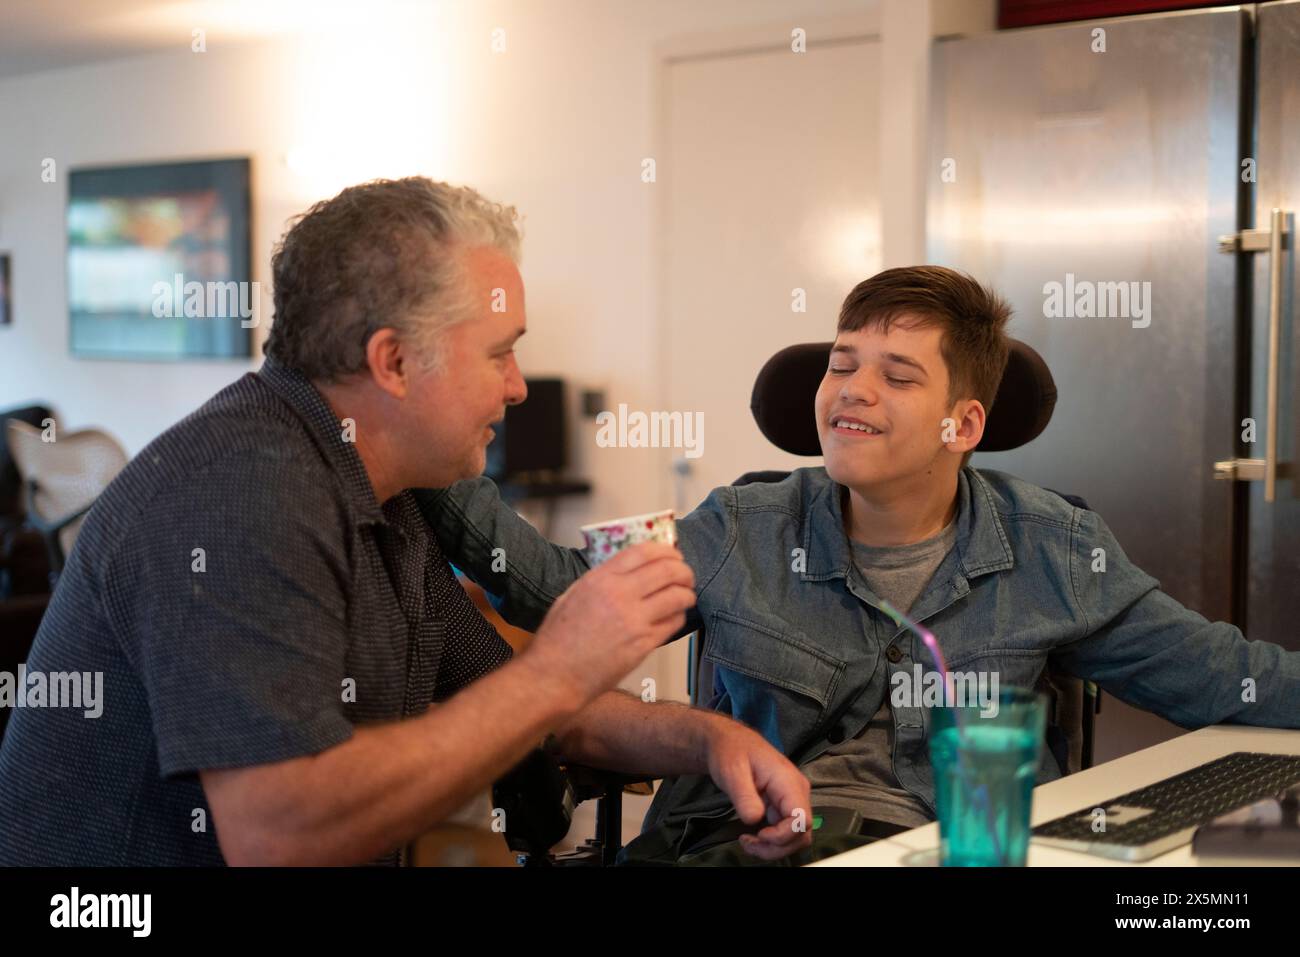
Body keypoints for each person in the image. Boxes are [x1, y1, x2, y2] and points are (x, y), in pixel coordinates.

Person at [0, 177, 811, 866]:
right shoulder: (244, 494)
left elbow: (518, 700)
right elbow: (277, 832)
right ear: (393, 362)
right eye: (499, 352)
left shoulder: (384, 489)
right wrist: (558, 666)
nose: (520, 386)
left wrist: (705, 740)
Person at [419, 265, 1300, 866]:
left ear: (964, 425)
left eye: (897, 376)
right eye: (842, 364)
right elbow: (558, 587)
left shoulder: (1055, 548)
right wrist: (433, 447)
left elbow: (1234, 680)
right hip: (735, 848)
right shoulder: (740, 524)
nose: (851, 389)